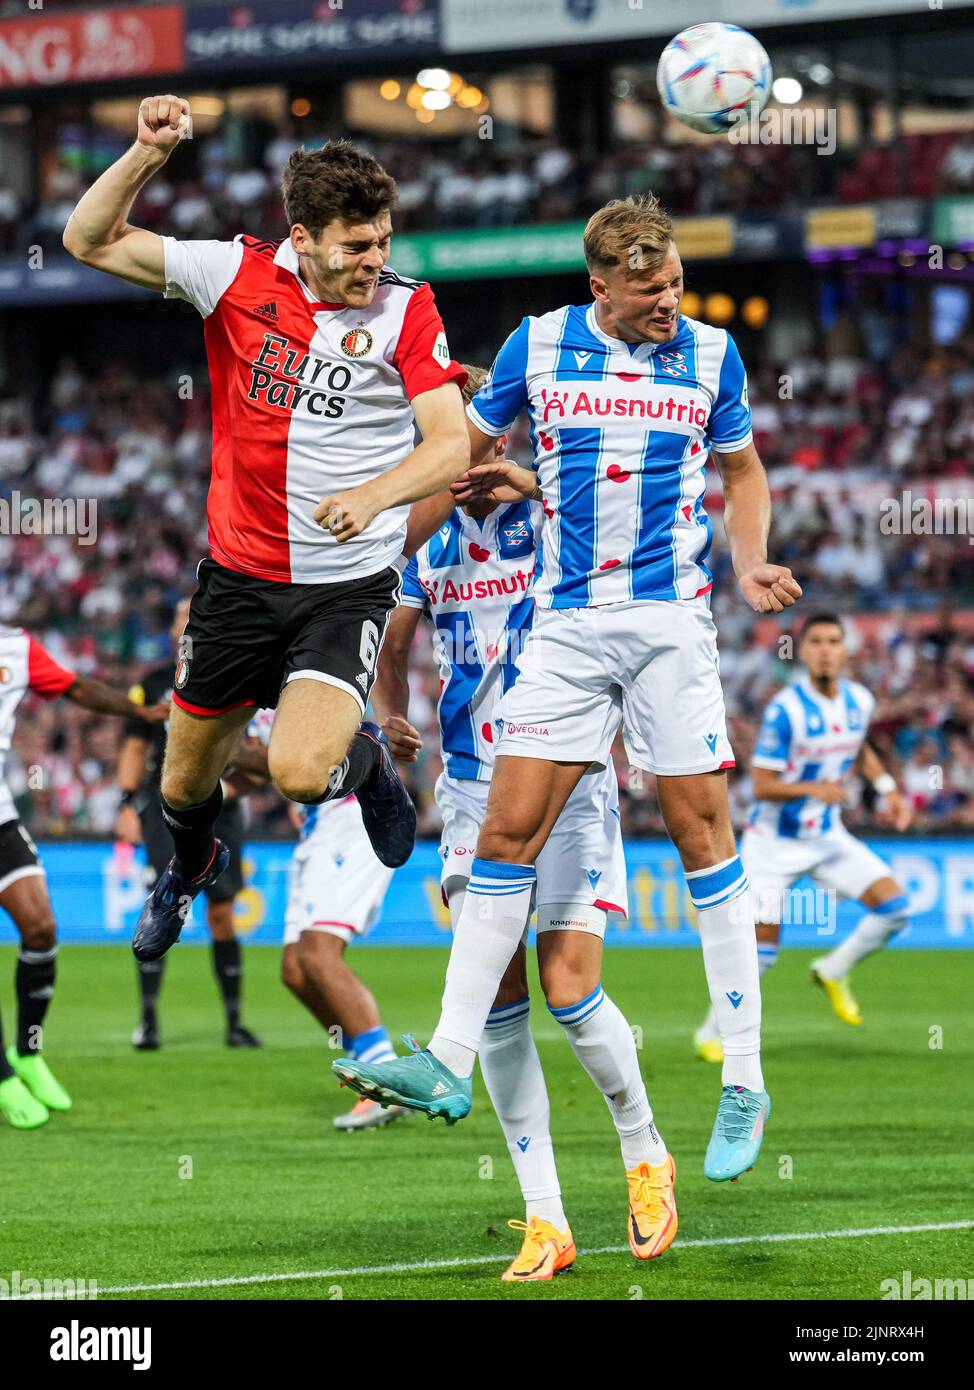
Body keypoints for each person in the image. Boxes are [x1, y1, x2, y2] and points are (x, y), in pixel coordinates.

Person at [332, 194, 802, 1183]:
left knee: (698, 833)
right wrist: (381, 548)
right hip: (567, 625)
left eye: (672, 285)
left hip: (671, 620)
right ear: (597, 286)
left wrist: (750, 558)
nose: (665, 305)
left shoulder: (713, 356)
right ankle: (448, 1061)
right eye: (643, 294)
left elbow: (744, 471)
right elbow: (453, 455)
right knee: (502, 833)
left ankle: (744, 1078)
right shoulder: (536, 347)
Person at [62, 94, 469, 964]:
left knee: (295, 773)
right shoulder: (232, 274)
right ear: (305, 235)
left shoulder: (408, 309)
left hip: (345, 587)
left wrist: (374, 495)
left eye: (384, 240)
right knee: (183, 785)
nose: (376, 260)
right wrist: (144, 153)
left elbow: (447, 447)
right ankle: (190, 865)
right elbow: (87, 240)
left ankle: (366, 765)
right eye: (357, 245)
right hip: (239, 581)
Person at [342, 364, 677, 1279]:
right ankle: (546, 1220)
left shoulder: (560, 512)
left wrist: (528, 477)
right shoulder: (426, 536)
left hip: (565, 778)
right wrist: (391, 708)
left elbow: (625, 550)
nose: (459, 441)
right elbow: (392, 638)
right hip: (469, 789)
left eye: (474, 425)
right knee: (498, 1004)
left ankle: (645, 1153)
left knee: (570, 992)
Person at [694, 613, 913, 1057]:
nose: (826, 649)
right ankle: (709, 1035)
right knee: (762, 953)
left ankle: (832, 970)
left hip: (828, 839)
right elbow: (762, 784)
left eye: (834, 640)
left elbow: (860, 748)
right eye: (816, 642)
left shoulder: (860, 700)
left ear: (846, 649)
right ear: (805, 651)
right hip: (774, 845)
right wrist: (816, 788)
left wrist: (888, 789)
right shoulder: (786, 710)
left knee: (895, 908)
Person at [0, 624, 166, 1129]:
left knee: (41, 928)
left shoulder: (15, 646)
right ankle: (3, 1078)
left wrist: (138, 711)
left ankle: (28, 1053)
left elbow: (75, 687)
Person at [242, 709, 402, 1132]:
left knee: (318, 954)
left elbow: (288, 759)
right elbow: (257, 773)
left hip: (351, 816)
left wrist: (212, 747)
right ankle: (371, 1067)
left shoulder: (304, 674)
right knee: (295, 970)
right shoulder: (250, 687)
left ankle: (384, 1076)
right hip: (316, 830)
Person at [116, 599, 261, 1050]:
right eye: (182, 615)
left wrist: (229, 791)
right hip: (166, 813)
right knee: (163, 900)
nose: (189, 621)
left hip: (222, 810)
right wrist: (125, 802)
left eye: (196, 613)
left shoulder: (238, 673)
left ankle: (234, 1023)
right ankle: (148, 1021)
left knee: (221, 913)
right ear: (175, 627)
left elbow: (257, 753)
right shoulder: (155, 683)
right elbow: (136, 746)